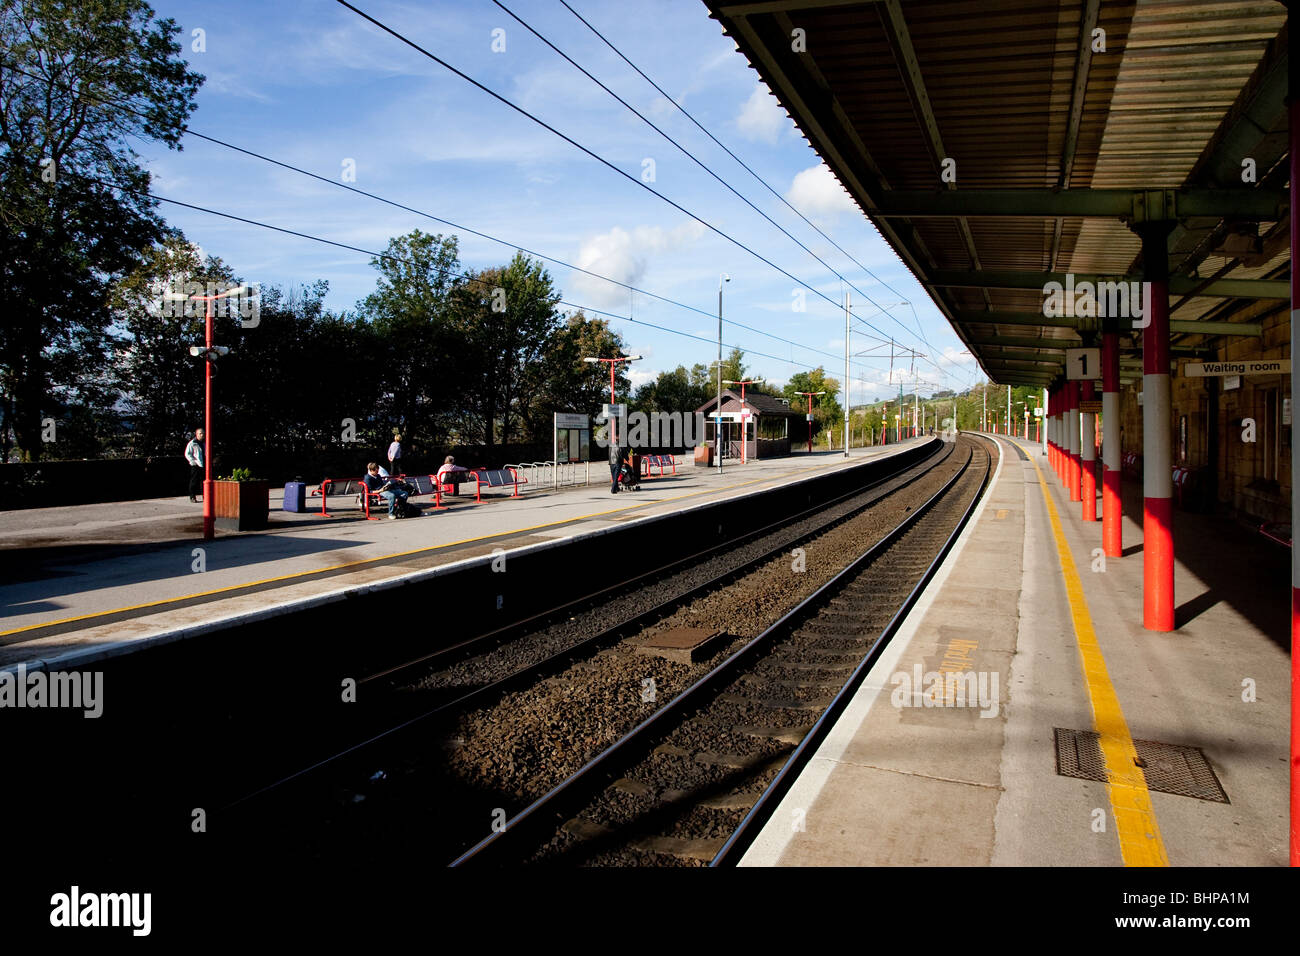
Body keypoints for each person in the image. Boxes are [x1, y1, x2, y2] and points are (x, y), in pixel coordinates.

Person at [184, 428, 204, 503]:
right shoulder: (192, 443)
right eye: (200, 433)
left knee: (203, 482)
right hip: (196, 465)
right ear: (196, 434)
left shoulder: (204, 443)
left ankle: (205, 496)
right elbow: (187, 453)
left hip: (203, 464)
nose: (202, 435)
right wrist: (193, 462)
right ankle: (192, 496)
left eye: (203, 433)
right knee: (194, 481)